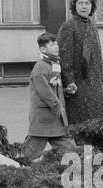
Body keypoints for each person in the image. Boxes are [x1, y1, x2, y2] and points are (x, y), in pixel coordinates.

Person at [23, 32, 75, 163]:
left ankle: (77, 165)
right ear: (43, 49)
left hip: (55, 118)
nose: (57, 46)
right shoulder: (40, 67)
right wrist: (58, 105)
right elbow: (44, 91)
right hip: (43, 118)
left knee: (70, 150)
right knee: (30, 153)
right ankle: (17, 169)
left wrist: (66, 91)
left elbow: (54, 88)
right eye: (52, 44)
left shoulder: (54, 64)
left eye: (57, 43)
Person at [57, 0, 103, 125]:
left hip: (94, 83)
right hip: (78, 83)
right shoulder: (69, 26)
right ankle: (79, 147)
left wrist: (100, 77)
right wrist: (70, 82)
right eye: (80, 3)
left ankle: (91, 147)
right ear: (74, 6)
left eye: (87, 3)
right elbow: (64, 56)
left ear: (92, 6)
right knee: (80, 122)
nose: (84, 6)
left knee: (96, 122)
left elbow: (98, 54)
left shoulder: (92, 25)